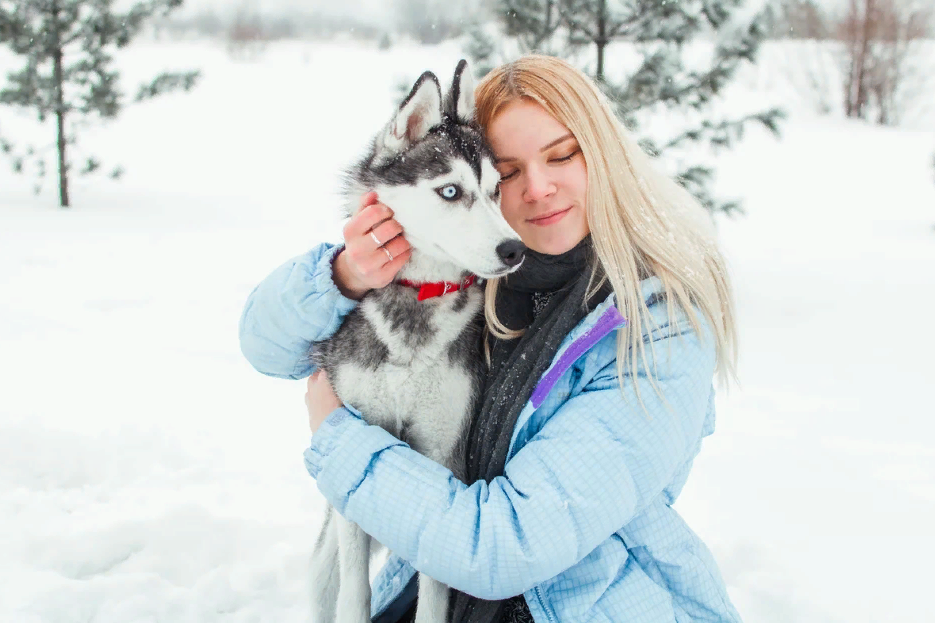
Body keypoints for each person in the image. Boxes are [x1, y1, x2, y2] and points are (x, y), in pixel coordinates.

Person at [239, 54, 742, 623]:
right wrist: (346, 275)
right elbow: (266, 347)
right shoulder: (478, 284)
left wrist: (340, 441)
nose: (538, 189)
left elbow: (509, 546)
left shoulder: (658, 328)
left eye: (562, 155)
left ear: (604, 154)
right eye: (506, 172)